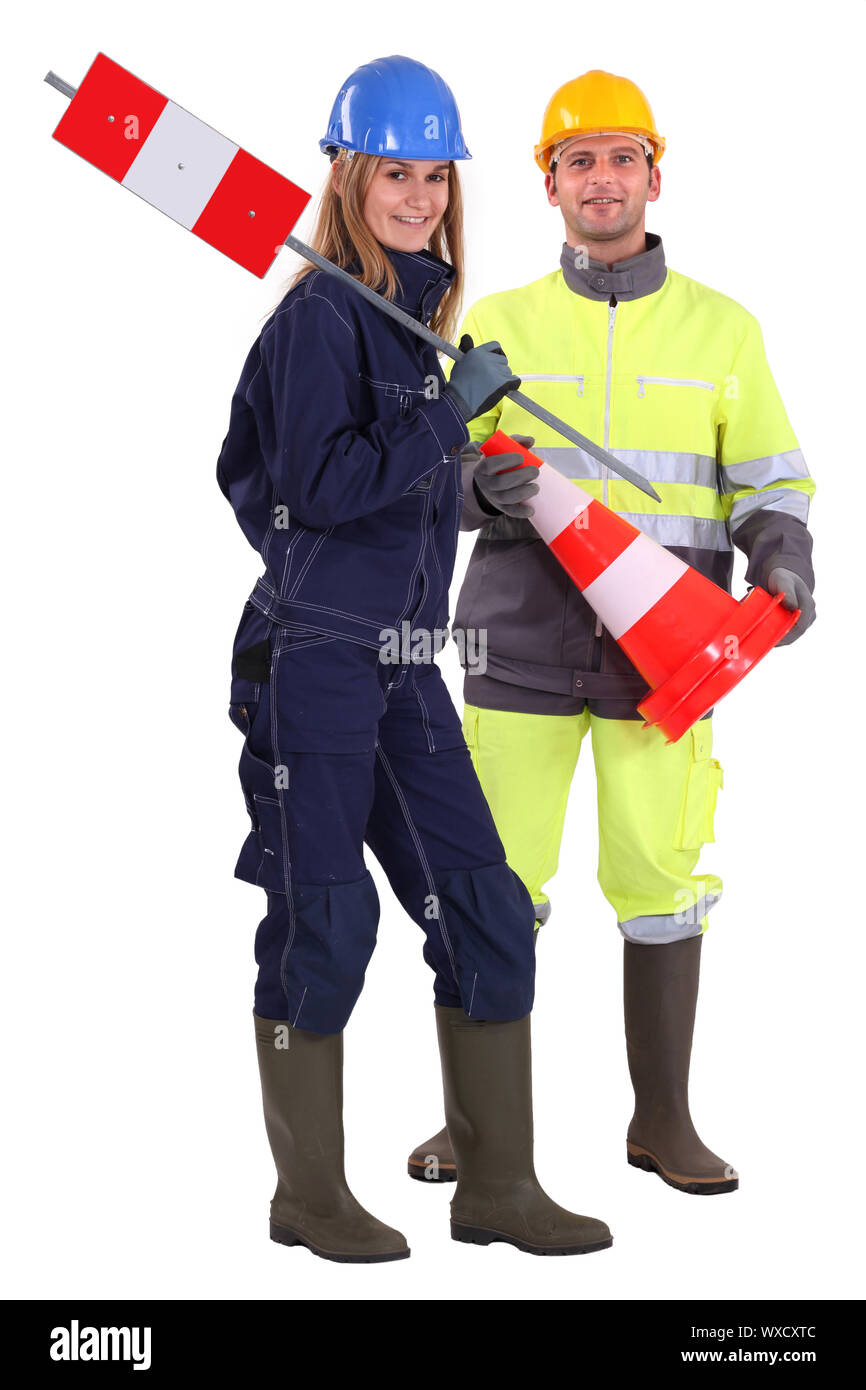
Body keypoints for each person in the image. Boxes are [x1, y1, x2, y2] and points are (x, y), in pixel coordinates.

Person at [216, 55, 613, 1261]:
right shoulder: (319, 315)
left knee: (489, 908)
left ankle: (497, 1183)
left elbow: (381, 491)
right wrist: (444, 422)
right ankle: (308, 1196)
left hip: (403, 658)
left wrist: (472, 484)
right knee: (324, 919)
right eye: (396, 170)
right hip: (315, 660)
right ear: (349, 177)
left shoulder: (411, 325)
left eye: (435, 174)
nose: (422, 194)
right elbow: (312, 487)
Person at [408, 69, 816, 1195]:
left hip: (665, 659)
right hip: (515, 643)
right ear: (547, 186)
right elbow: (431, 470)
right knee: (490, 883)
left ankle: (661, 1123)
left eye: (619, 156)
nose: (601, 178)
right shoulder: (493, 323)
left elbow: (770, 482)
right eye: (577, 160)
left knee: (660, 879)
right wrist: (470, 490)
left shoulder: (722, 329)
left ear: (652, 172)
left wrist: (782, 560)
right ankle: (475, 1127)